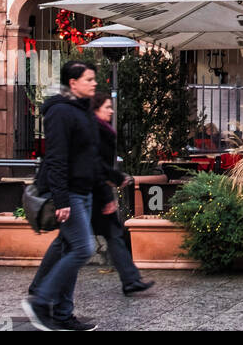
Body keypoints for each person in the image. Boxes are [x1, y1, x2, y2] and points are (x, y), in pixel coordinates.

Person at [29, 93, 156, 299]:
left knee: (77, 239)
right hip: (90, 193)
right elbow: (92, 165)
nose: (111, 110)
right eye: (107, 107)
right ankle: (42, 291)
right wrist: (109, 191)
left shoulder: (97, 128)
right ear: (96, 109)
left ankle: (130, 279)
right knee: (88, 240)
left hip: (90, 192)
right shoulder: (93, 129)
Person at [22, 60, 101, 332]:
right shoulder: (59, 112)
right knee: (83, 248)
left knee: (67, 247)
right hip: (70, 194)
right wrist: (62, 200)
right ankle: (40, 301)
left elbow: (87, 154)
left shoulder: (83, 109)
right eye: (88, 79)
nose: (94, 83)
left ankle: (63, 315)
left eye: (94, 79)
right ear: (73, 82)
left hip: (84, 191)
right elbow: (55, 158)